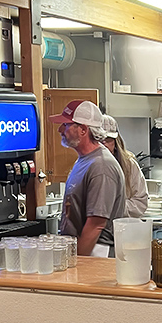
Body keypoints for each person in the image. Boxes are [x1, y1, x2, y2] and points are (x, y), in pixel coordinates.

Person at [49, 100, 126, 257]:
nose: (60, 130)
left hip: (96, 251)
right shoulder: (85, 160)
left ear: (83, 130)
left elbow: (96, 224)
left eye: (66, 125)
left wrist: (79, 263)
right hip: (83, 248)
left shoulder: (101, 166)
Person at [100, 115, 149, 218]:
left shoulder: (129, 165)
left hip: (121, 225)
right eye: (99, 140)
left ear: (116, 142)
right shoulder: (86, 164)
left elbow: (140, 201)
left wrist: (114, 209)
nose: (103, 144)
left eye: (108, 140)